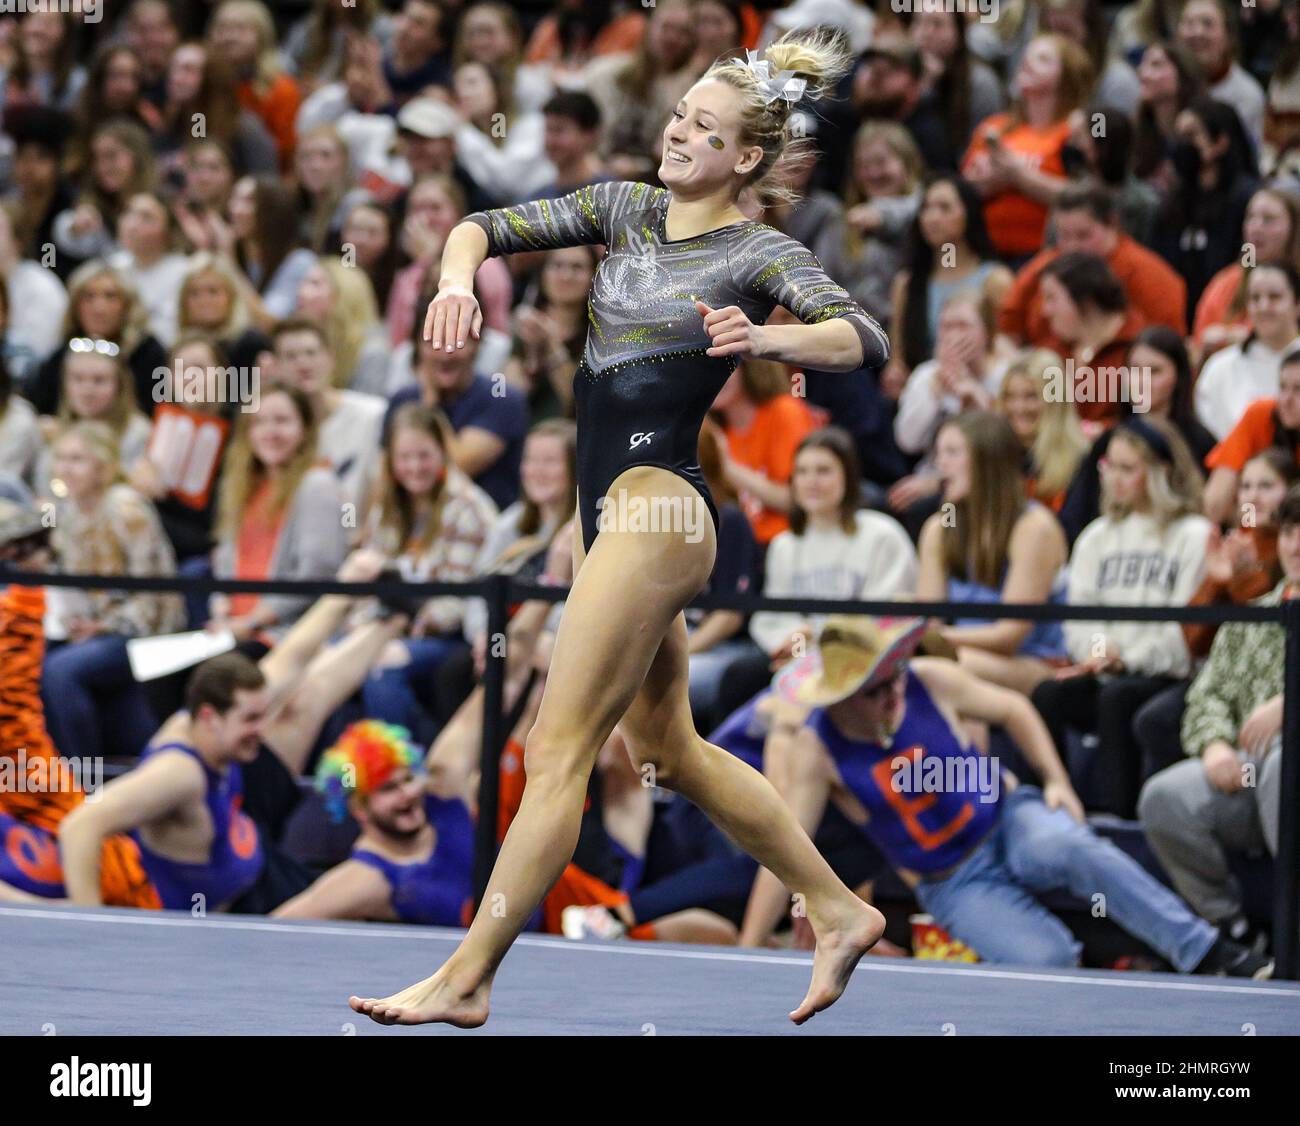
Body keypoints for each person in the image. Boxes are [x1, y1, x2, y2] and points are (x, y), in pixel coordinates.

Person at [349, 31, 892, 1028]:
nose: (681, 134)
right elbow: (475, 225)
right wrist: (457, 282)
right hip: (612, 518)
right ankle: (836, 907)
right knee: (669, 747)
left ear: (745, 161)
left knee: (556, 752)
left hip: (659, 504)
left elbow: (862, 337)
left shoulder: (756, 253)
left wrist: (766, 334)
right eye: (680, 116)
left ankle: (467, 974)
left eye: (707, 130)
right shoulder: (621, 208)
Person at [743, 614, 1270, 976]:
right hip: (952, 881)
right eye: (876, 690)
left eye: (893, 680)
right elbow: (787, 849)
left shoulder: (928, 679)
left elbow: (1015, 710)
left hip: (1009, 819)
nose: (892, 695)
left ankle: (1208, 952)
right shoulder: (818, 750)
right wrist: (746, 948)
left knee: (1068, 846)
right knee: (1045, 965)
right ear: (840, 698)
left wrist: (1057, 780)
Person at [1137, 486, 1300, 949]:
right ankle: (1234, 934)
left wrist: (1291, 705)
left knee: (1280, 767)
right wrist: (1214, 746)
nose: (1295, 544)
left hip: (1282, 772)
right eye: (1288, 531)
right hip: (1250, 775)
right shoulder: (1253, 616)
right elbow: (1207, 695)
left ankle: (1294, 941)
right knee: (1165, 797)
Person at [1031, 418, 1212, 818]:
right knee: (1048, 695)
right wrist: (1100, 651)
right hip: (1106, 666)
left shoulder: (1193, 534)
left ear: (1161, 472)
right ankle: (1056, 806)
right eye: (1109, 467)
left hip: (1169, 674)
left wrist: (1125, 657)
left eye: (1128, 469)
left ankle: (1121, 821)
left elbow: (1185, 627)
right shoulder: (1097, 536)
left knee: (1117, 698)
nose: (1114, 479)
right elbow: (1079, 617)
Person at [916, 411, 1069, 695]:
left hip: (1036, 661)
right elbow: (930, 619)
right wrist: (927, 639)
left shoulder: (1034, 528)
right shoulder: (939, 528)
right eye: (939, 453)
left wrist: (934, 641)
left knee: (948, 669)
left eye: (952, 452)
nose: (940, 464)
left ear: (988, 460)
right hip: (962, 653)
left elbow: (1009, 635)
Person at [273, 720, 474, 925]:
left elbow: (478, 715)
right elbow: (270, 930)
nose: (408, 793)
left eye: (408, 779)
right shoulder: (366, 878)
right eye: (389, 788)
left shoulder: (447, 797)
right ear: (359, 808)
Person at [995, 182, 1187, 352]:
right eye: (1064, 236)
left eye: (1083, 235)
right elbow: (1007, 329)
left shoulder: (1150, 276)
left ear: (1111, 224)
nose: (1072, 246)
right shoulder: (1044, 267)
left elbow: (1167, 351)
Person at [960, 34, 1094, 264]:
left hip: (1047, 256)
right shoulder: (993, 127)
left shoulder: (1073, 132)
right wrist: (985, 183)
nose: (1027, 62)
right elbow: (960, 191)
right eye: (1027, 56)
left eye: (1042, 58)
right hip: (982, 256)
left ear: (1067, 76)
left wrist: (1017, 175)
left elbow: (1085, 197)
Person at [1195, 262, 1300, 442]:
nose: (1264, 307)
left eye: (1275, 297)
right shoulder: (1220, 368)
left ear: (1297, 304)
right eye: (1255, 298)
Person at [1203, 348, 1300, 524]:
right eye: (1283, 387)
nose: (1286, 399)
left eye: (1298, 389)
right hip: (1258, 537)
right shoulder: (1262, 414)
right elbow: (1215, 505)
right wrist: (1256, 523)